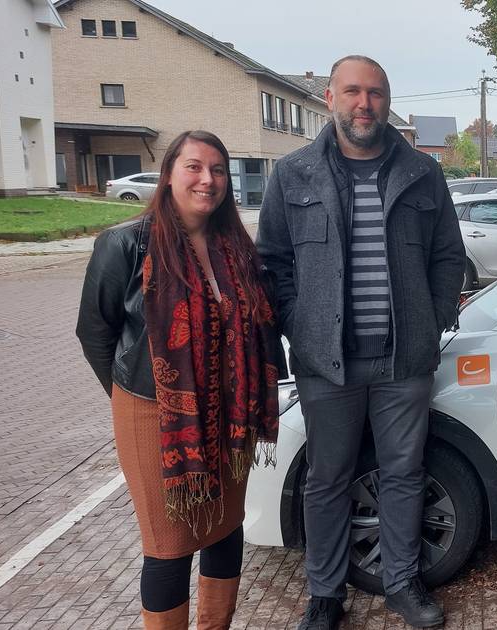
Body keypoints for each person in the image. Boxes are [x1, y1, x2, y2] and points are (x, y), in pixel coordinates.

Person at [256, 55, 465, 630]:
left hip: (404, 359)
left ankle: (401, 582)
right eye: (353, 91)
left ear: (387, 101)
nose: (364, 103)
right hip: (328, 362)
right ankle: (325, 594)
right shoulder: (293, 174)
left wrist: (434, 315)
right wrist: (301, 323)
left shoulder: (424, 173)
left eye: (375, 93)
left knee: (403, 472)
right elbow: (272, 263)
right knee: (327, 478)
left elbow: (449, 256)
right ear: (330, 97)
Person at [76, 130, 285, 630]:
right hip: (156, 414)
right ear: (169, 173)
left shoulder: (234, 247)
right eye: (193, 167)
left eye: (217, 170)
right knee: (168, 545)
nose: (206, 180)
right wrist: (137, 394)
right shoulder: (125, 243)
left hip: (229, 413)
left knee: (223, 530)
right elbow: (94, 331)